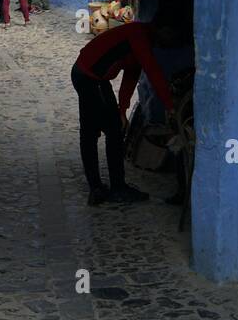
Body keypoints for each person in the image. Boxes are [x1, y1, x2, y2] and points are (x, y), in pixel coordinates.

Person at [71, 19, 175, 205]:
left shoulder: (144, 40)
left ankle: (108, 187)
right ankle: (104, 188)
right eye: (169, 35)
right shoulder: (139, 35)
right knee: (94, 132)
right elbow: (153, 71)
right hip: (89, 77)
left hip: (96, 78)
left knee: (113, 130)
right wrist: (170, 106)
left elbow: (131, 76)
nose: (170, 40)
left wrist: (122, 110)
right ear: (159, 29)